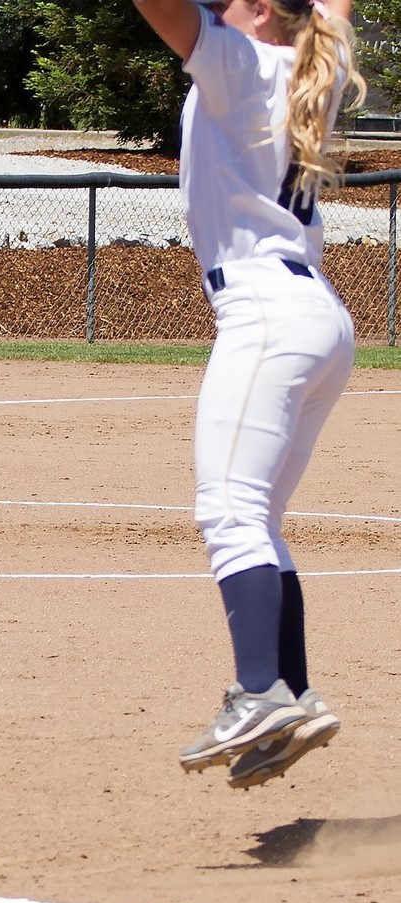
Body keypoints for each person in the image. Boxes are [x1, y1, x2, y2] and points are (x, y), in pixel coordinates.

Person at [132, 0, 365, 789]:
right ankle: (292, 692)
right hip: (316, 316)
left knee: (229, 513)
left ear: (261, 12)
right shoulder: (313, 62)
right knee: (257, 517)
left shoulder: (241, 61)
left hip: (264, 312)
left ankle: (261, 688)